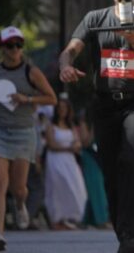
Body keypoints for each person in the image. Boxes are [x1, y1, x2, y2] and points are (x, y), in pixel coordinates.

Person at [59, 0, 134, 253]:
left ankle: (132, 232)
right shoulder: (95, 19)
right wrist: (66, 66)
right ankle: (124, 233)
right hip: (105, 105)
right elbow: (70, 49)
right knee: (111, 169)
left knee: (131, 157)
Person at [0, 26, 57, 251]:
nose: (14, 49)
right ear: (2, 47)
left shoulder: (31, 72)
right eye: (10, 45)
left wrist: (28, 99)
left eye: (18, 45)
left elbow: (51, 98)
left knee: (19, 187)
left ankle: (21, 204)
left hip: (23, 132)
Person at [44, 98, 87, 230]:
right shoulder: (51, 125)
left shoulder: (71, 126)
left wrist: (76, 145)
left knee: (77, 189)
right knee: (58, 189)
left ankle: (70, 217)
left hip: (70, 160)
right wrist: (68, 148)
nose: (62, 110)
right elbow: (51, 144)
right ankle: (57, 219)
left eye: (65, 107)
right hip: (56, 159)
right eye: (60, 107)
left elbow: (78, 141)